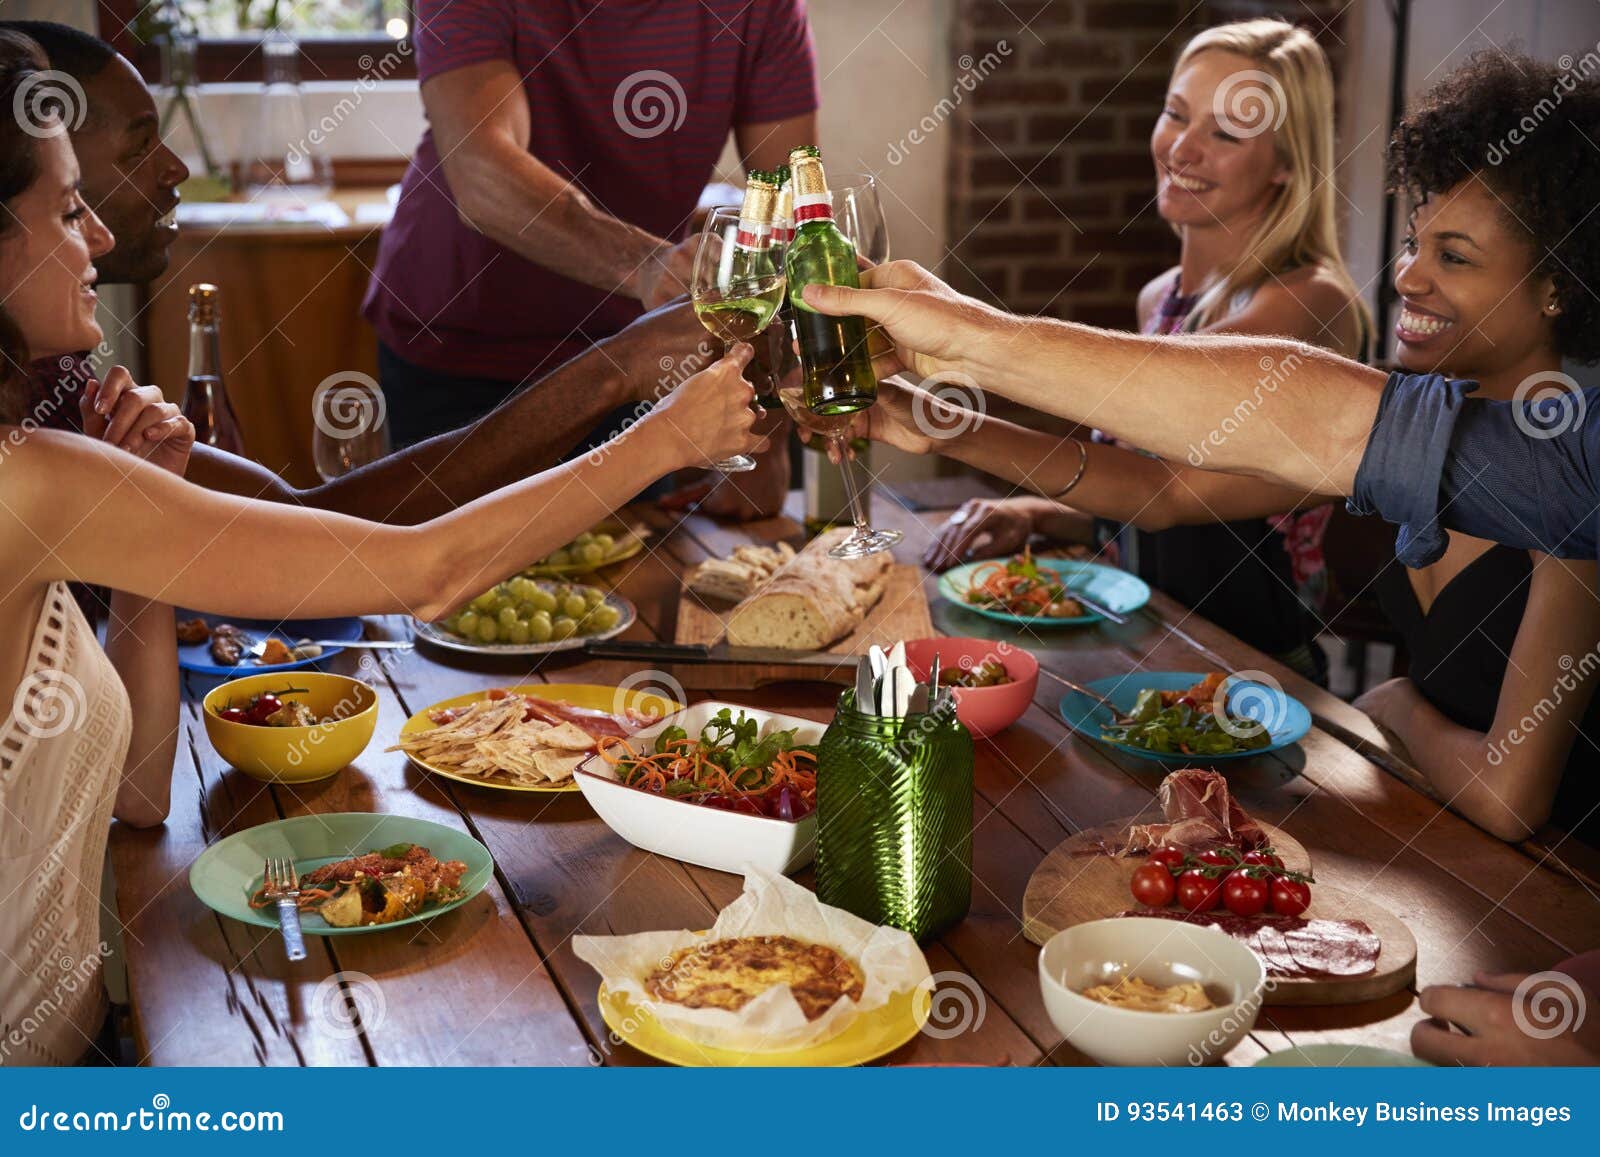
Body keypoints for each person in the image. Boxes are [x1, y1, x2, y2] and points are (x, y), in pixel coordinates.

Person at [0, 30, 764, 1065]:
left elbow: (143, 793)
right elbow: (421, 569)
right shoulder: (35, 477)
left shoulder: (58, 452)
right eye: (63, 208)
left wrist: (149, 533)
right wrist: (656, 429)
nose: (90, 235)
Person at [843, 52, 1600, 845]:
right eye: (1415, 243)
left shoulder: (1573, 494)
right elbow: (1167, 491)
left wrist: (1395, 703)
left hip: (1549, 889)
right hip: (1419, 815)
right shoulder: (1416, 426)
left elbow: (1511, 800)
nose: (1408, 277)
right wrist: (932, 416)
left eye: (1455, 257)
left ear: (1558, 287)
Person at [0, 19, 716, 527]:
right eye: (137, 147)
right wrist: (617, 370)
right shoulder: (35, 440)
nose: (178, 169)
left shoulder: (63, 384)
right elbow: (335, 538)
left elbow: (295, 521)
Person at [921, 19, 1369, 681]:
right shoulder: (1159, 299)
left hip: (1253, 677)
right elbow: (1156, 495)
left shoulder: (1306, 303)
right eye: (1176, 114)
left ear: (1286, 163)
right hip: (1146, 640)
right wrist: (1036, 514)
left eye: (1225, 132)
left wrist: (947, 362)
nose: (1182, 149)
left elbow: (1169, 494)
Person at [362, 0, 820, 513]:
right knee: (448, 579)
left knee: (624, 575)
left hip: (637, 356)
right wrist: (646, 265)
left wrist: (770, 426)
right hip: (462, 348)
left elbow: (786, 213)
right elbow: (479, 172)